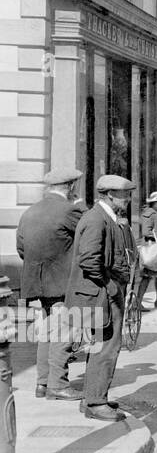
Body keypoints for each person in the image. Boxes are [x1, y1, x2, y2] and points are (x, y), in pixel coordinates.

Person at [66, 175, 137, 422]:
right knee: (107, 347)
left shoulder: (109, 218)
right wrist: (110, 286)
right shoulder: (97, 219)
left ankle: (93, 396)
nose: (127, 200)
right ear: (108, 195)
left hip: (105, 293)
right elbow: (88, 259)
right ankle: (96, 403)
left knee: (102, 346)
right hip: (101, 295)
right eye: (123, 196)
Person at [15, 168, 86, 401]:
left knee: (47, 332)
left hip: (38, 284)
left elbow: (21, 249)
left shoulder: (29, 212)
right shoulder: (70, 210)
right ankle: (58, 385)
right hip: (62, 284)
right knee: (64, 331)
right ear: (71, 187)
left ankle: (42, 383)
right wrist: (81, 205)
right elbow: (90, 232)